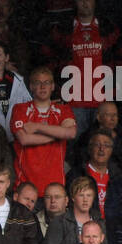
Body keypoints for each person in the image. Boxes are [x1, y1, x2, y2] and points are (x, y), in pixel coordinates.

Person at [10, 66, 76, 195]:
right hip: (25, 186)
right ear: (31, 86)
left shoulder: (63, 110)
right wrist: (58, 134)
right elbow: (24, 139)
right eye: (37, 83)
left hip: (55, 187)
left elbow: (71, 133)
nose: (42, 86)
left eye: (47, 82)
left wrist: (37, 127)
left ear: (52, 86)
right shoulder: (21, 109)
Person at [37, 175, 103, 244]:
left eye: (89, 195)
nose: (85, 199)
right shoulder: (59, 222)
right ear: (72, 198)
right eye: (81, 195)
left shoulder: (99, 222)